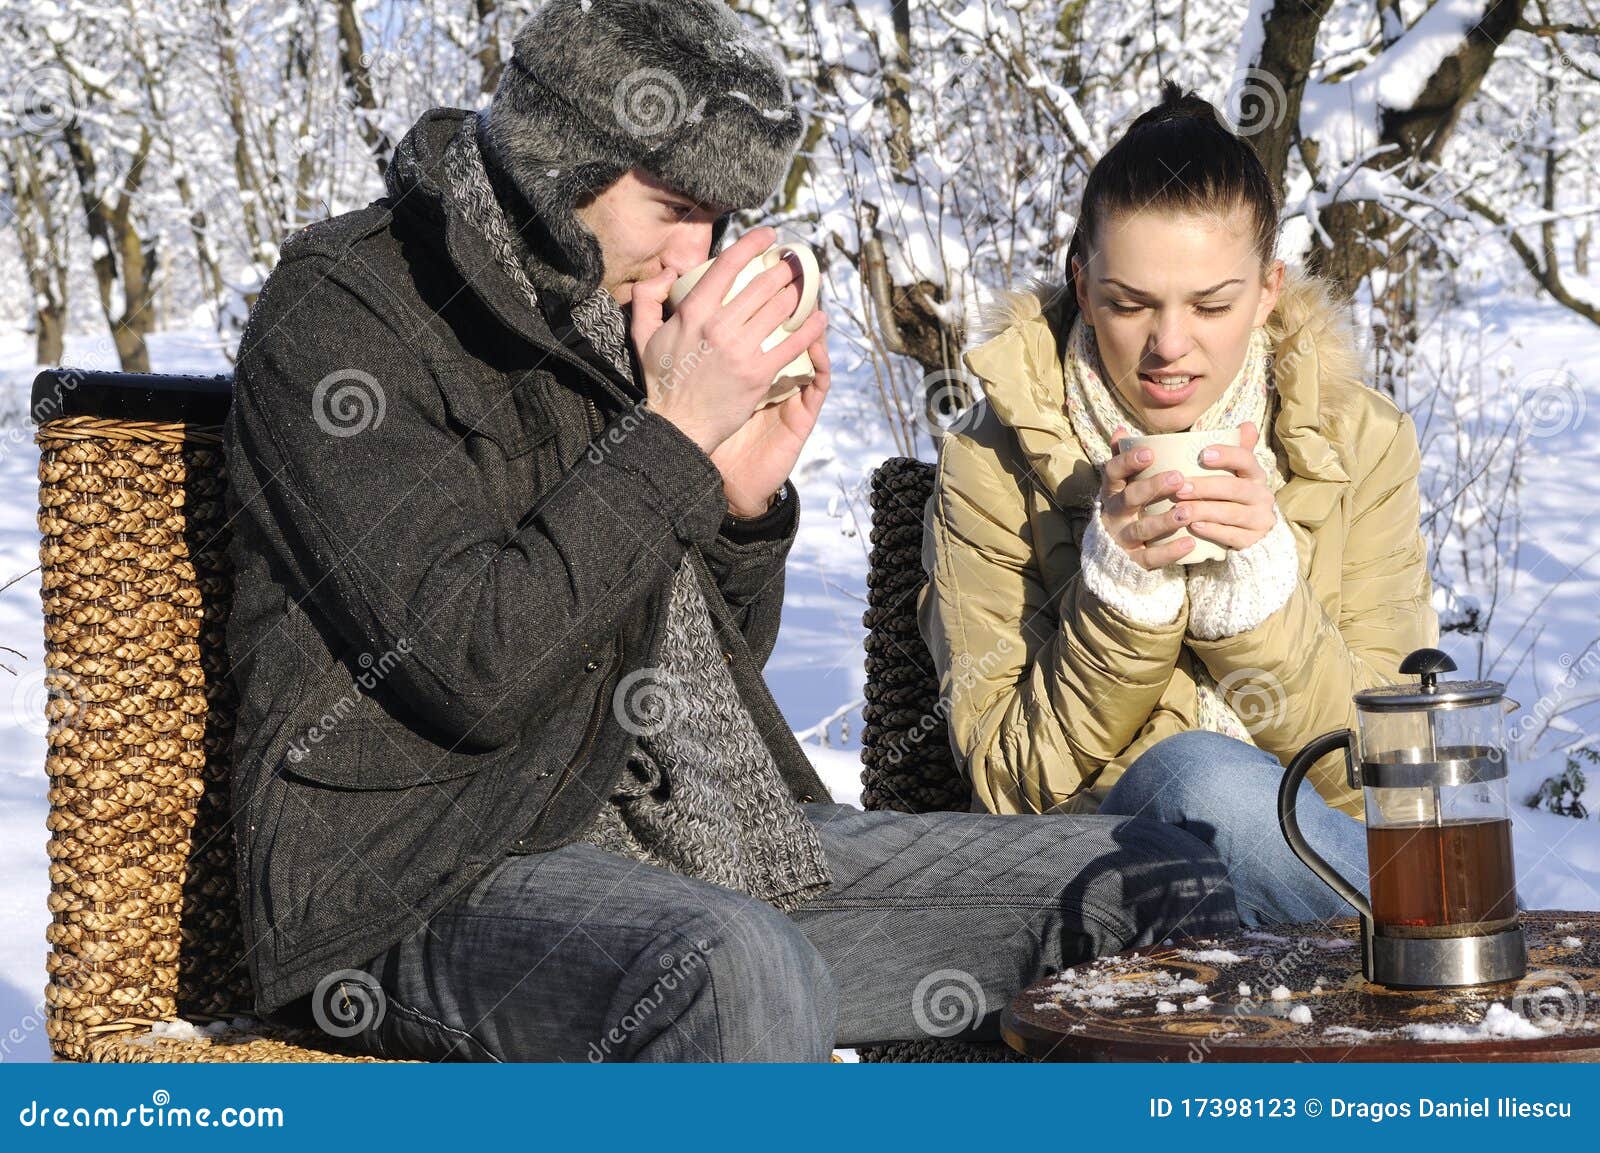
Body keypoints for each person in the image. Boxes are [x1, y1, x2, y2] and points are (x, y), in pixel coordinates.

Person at [222, 1, 1237, 1062]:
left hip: (690, 843)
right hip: (419, 872)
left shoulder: (617, 306)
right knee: (731, 964)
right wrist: (671, 441)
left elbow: (666, 681)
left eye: (719, 219)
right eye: (672, 206)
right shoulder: (346, 312)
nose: (691, 255)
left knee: (1152, 886)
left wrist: (737, 510)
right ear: (561, 155)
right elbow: (471, 666)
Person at [919, 81, 1440, 929]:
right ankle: (1475, 961)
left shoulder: (1362, 439)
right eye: (1129, 304)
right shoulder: (990, 459)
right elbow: (1008, 784)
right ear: (1082, 288)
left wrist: (1260, 606)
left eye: (1211, 304)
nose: (1169, 345)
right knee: (1198, 777)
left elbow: (1396, 777)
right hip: (1104, 888)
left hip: (1316, 879)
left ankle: (1456, 966)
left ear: (1269, 290)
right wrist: (1121, 596)